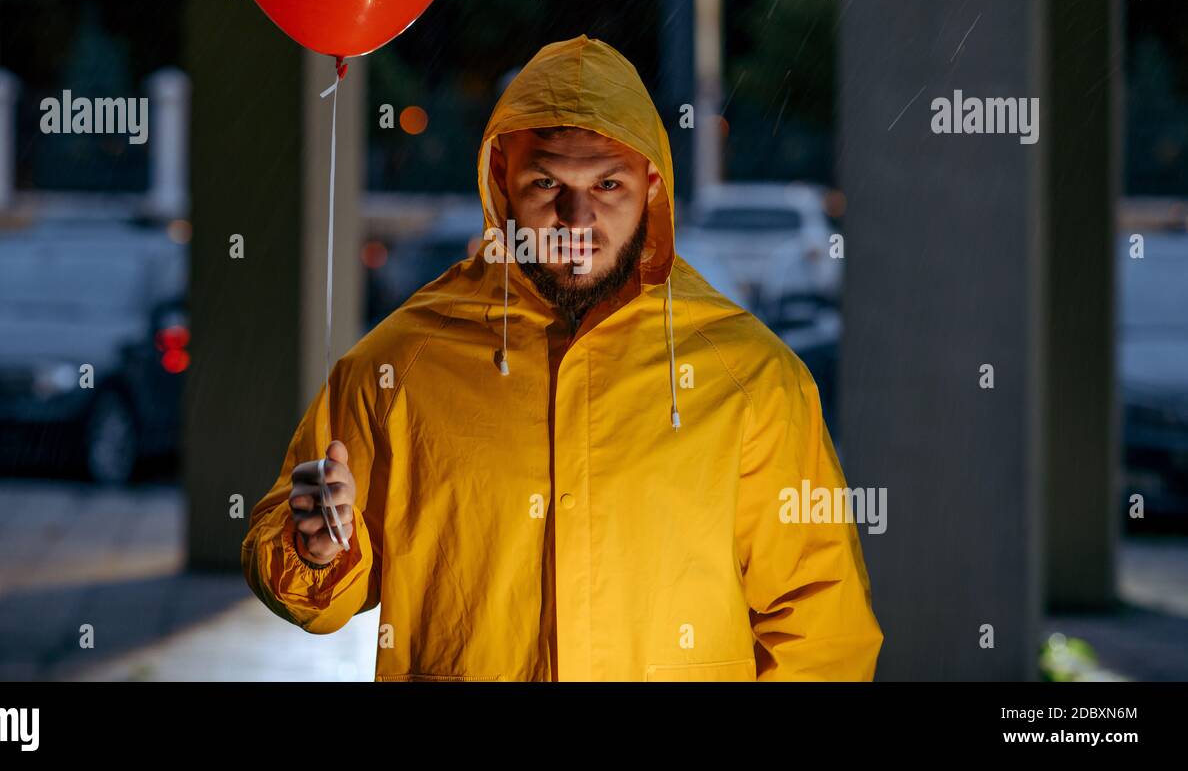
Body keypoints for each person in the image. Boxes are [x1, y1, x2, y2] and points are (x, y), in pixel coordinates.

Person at [241, 33, 883, 681]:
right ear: (501, 179)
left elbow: (822, 633)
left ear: (652, 186)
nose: (577, 216)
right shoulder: (399, 367)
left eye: (608, 183)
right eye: (547, 180)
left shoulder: (752, 381)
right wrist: (316, 550)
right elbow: (303, 583)